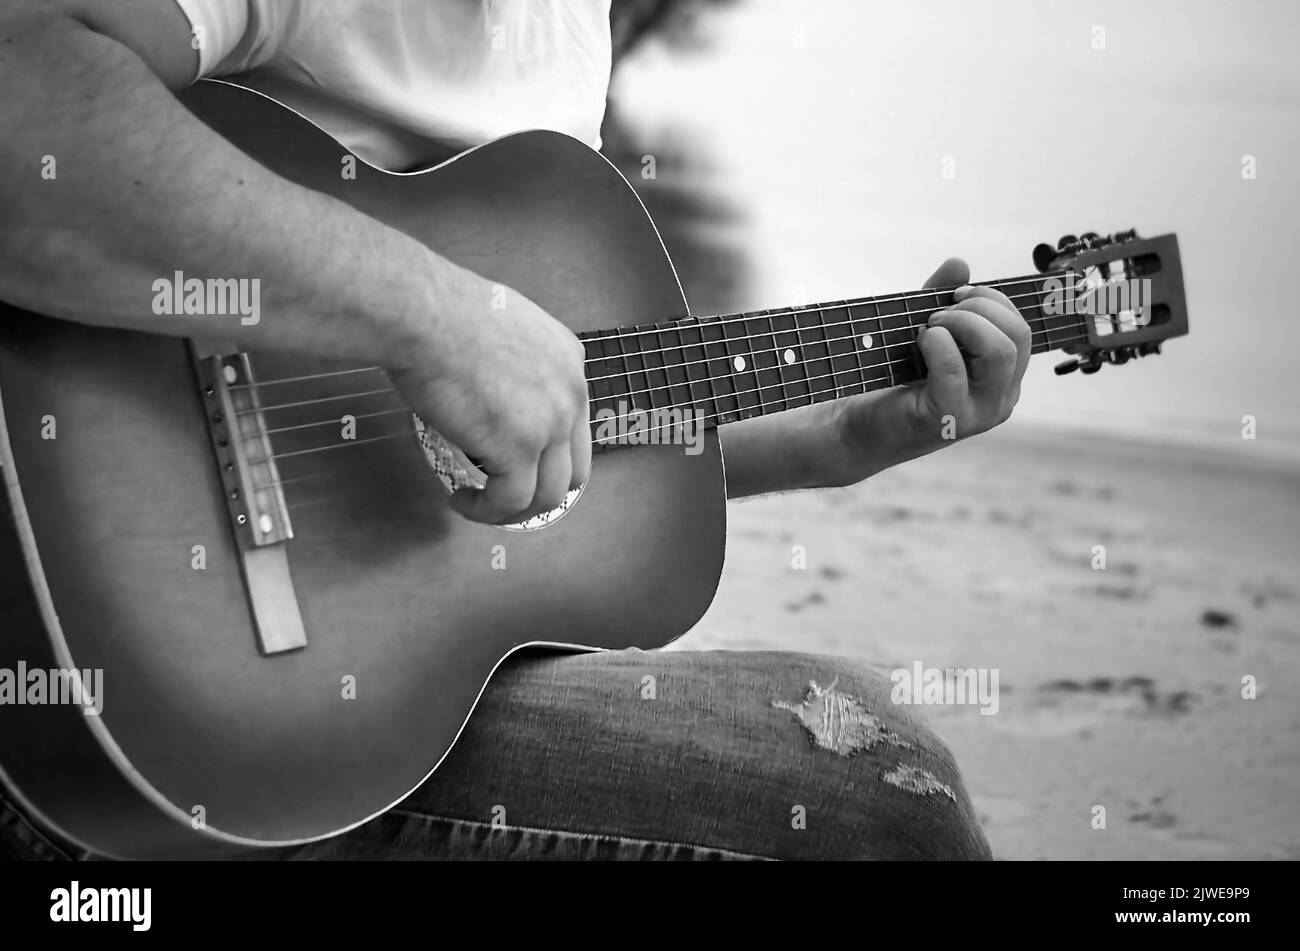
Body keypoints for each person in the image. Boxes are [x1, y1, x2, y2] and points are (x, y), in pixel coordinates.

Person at [0, 0, 1031, 860]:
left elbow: (501, 421)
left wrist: (828, 442)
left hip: (287, 726)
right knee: (879, 800)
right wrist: (429, 315)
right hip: (98, 717)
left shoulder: (565, 23)